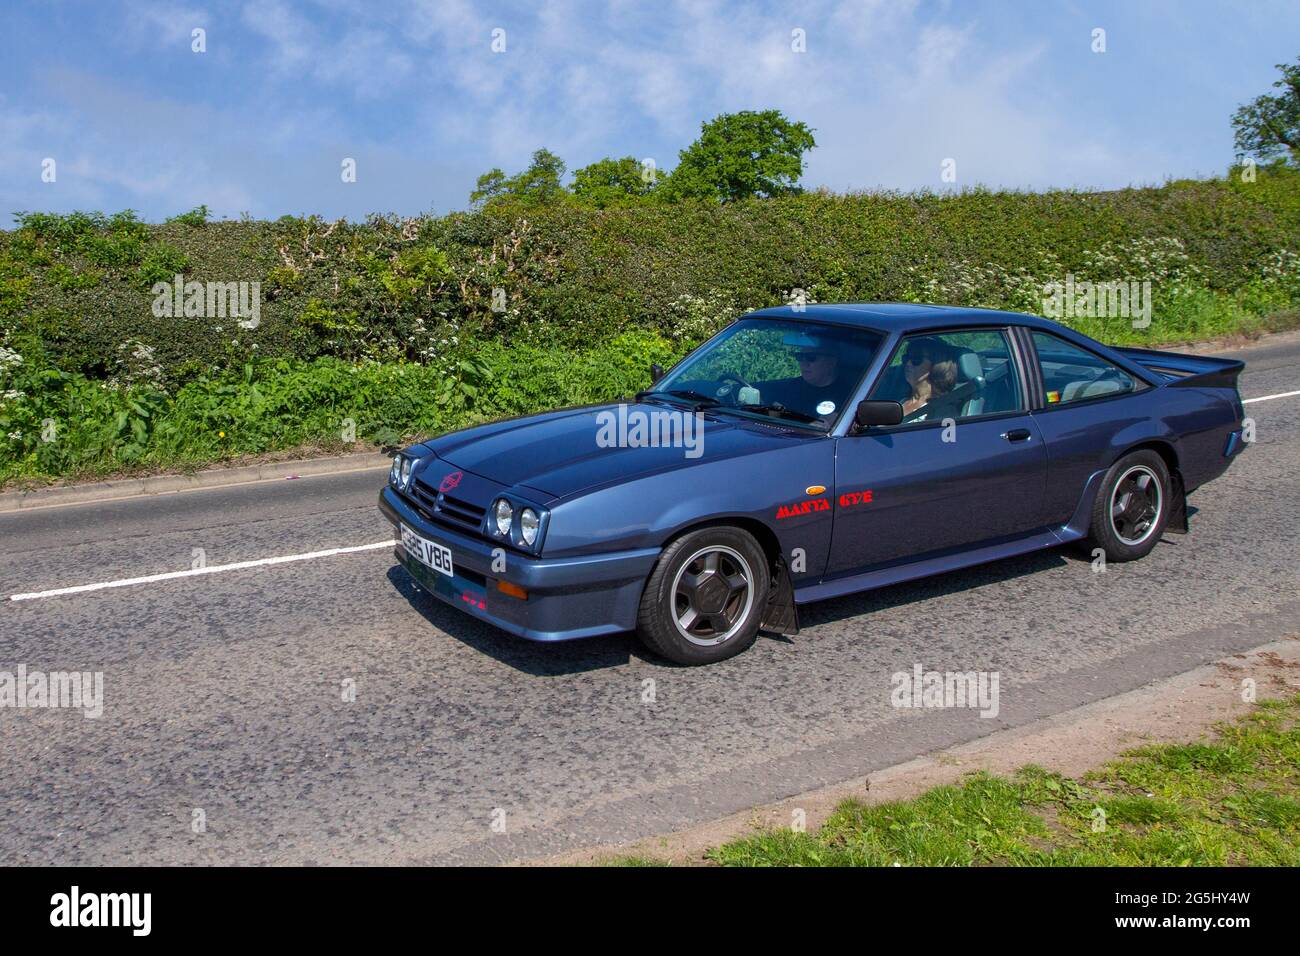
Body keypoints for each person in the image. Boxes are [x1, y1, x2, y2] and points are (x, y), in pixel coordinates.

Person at [899, 337, 959, 420]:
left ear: (935, 365)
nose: (908, 363)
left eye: (916, 358)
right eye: (906, 358)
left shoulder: (943, 410)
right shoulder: (901, 401)